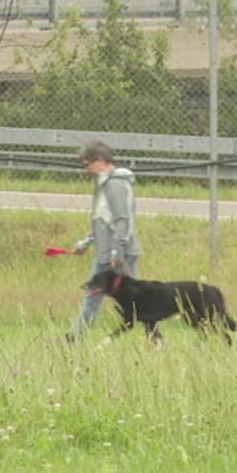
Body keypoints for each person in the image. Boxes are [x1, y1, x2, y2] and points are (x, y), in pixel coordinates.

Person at [65, 140, 141, 342]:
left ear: (100, 160)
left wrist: (117, 251)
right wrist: (86, 242)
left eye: (87, 163)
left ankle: (73, 339)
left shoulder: (115, 184)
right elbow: (102, 220)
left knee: (134, 299)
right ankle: (74, 338)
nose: (85, 168)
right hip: (106, 253)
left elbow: (122, 219)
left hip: (116, 254)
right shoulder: (103, 183)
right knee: (99, 297)